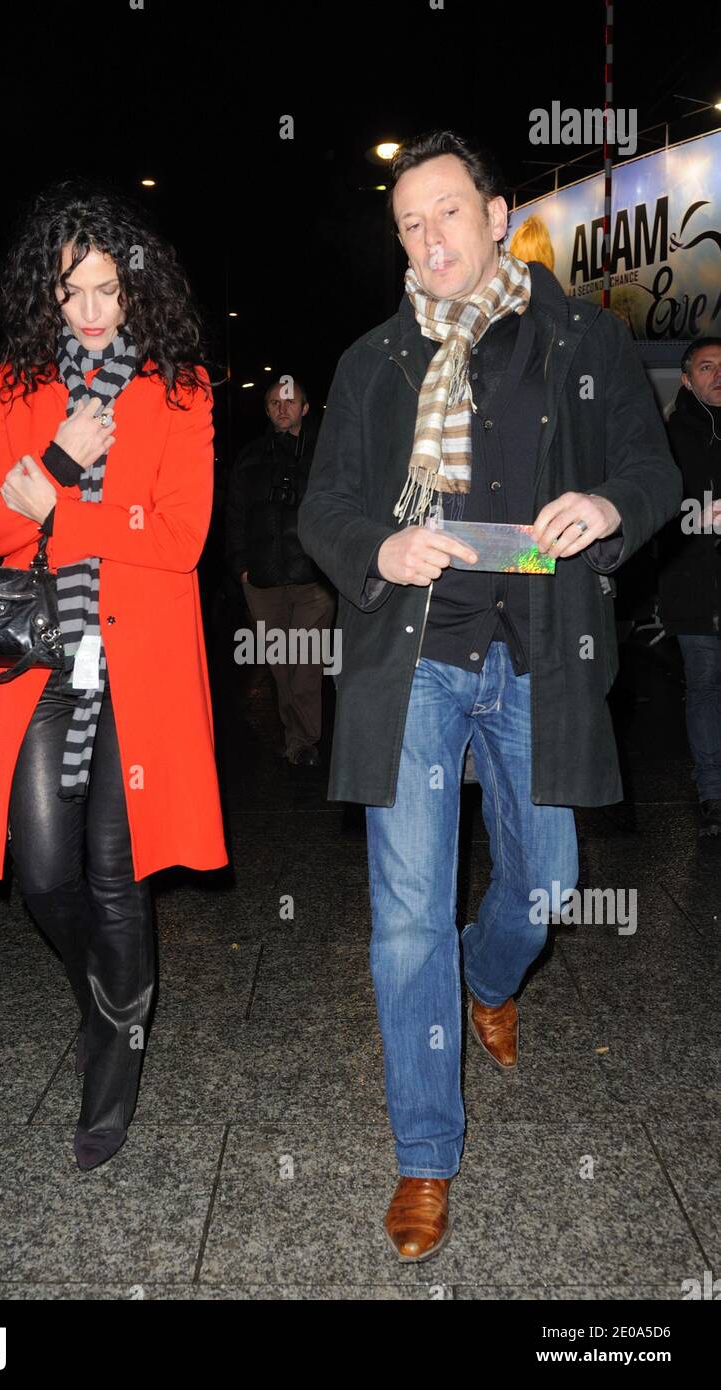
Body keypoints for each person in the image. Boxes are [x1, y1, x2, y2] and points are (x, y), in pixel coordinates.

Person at [298, 129, 681, 1262]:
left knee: (548, 881)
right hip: (412, 658)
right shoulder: (371, 361)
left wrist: (607, 510)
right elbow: (324, 510)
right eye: (407, 224)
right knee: (405, 913)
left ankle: (490, 971)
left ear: (496, 212)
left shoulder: (581, 338)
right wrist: (381, 547)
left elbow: (648, 471)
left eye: (445, 213)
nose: (427, 239)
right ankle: (423, 1154)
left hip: (539, 654)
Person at [0, 182, 228, 1170]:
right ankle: (108, 996)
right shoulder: (16, 390)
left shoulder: (180, 387)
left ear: (138, 288)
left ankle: (114, 1054)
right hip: (37, 658)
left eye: (108, 288)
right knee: (43, 869)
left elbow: (180, 537)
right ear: (46, 295)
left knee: (114, 877)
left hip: (134, 666)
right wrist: (57, 463)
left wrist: (63, 507)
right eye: (73, 293)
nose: (93, 311)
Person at [225, 377, 335, 765]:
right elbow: (234, 514)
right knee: (279, 665)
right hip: (263, 580)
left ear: (305, 407)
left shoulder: (325, 455)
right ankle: (296, 734)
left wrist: (331, 562)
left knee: (306, 663)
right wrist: (241, 568)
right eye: (273, 403)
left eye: (289, 401)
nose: (281, 408)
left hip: (312, 579)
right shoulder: (251, 457)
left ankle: (303, 740)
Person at [658, 338, 721, 835]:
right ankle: (712, 794)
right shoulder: (667, 438)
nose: (718, 375)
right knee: (704, 685)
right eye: (706, 366)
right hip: (694, 585)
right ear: (686, 379)